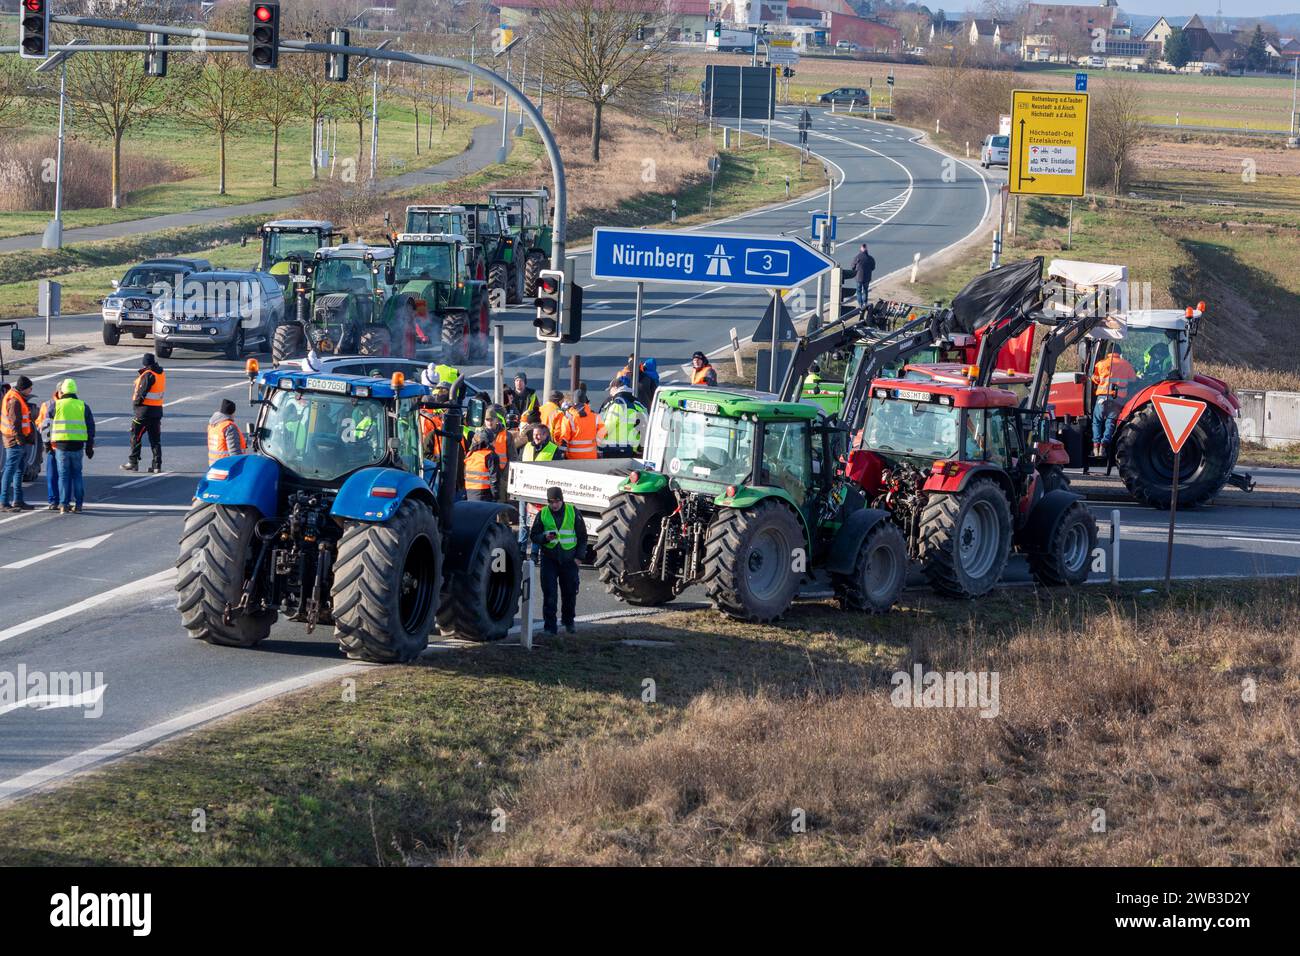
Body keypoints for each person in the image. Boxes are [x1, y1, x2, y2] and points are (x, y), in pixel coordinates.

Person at [528, 485, 587, 636]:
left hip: (569, 560)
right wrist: (544, 538)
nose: (554, 505)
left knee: (569, 594)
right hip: (549, 559)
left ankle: (568, 622)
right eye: (551, 502)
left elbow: (582, 537)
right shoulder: (543, 514)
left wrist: (579, 558)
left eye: (557, 501)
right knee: (549, 595)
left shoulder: (572, 512)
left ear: (562, 500)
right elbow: (534, 535)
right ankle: (550, 627)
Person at [50, 378, 95, 514]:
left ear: (62, 390)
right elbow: (90, 427)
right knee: (77, 475)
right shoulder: (82, 405)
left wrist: (47, 444)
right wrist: (89, 446)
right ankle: (79, 504)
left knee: (63, 476)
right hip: (77, 446)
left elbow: (47, 423)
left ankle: (63, 504)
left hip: (61, 446)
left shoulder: (56, 405)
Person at [123, 352, 165, 472]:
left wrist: (135, 405)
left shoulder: (148, 375)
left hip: (143, 412)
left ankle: (133, 462)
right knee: (155, 440)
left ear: (145, 363)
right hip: (156, 412)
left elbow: (142, 393)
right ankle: (157, 465)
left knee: (136, 436)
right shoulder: (160, 373)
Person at [1, 375, 35, 512]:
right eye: (30, 388)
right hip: (14, 440)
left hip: (18, 439)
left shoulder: (17, 397)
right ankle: (4, 502)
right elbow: (14, 423)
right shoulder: (14, 400)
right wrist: (20, 439)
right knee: (10, 470)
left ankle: (18, 500)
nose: (31, 390)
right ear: (23, 389)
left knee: (19, 470)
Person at [598, 378, 647, 457]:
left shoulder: (618, 404)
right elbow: (644, 424)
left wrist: (597, 442)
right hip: (631, 447)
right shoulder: (637, 404)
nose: (610, 393)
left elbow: (607, 427)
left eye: (610, 390)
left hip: (613, 447)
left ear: (615, 388)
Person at [34, 385, 61, 510]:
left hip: (63, 446)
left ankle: (63, 499)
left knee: (65, 475)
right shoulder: (47, 405)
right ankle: (54, 500)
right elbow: (39, 422)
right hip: (53, 445)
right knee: (53, 474)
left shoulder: (73, 404)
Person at [557, 391, 600, 460]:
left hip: (573, 457)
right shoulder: (595, 416)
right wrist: (597, 444)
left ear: (573, 402)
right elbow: (602, 432)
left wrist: (561, 454)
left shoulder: (568, 416)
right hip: (591, 456)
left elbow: (564, 438)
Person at [207, 399, 246, 466]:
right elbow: (234, 452)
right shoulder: (229, 427)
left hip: (213, 465)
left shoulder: (212, 425)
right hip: (226, 466)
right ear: (233, 413)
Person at [463, 428, 499, 501]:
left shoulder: (470, 454)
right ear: (490, 441)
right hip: (484, 493)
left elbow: (465, 474)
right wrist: (495, 496)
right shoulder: (490, 455)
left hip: (469, 492)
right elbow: (494, 479)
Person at [1093, 385, 1122, 458]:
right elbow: (1133, 378)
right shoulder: (1125, 372)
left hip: (1102, 397)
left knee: (1097, 422)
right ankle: (1103, 446)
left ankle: (1096, 447)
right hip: (1117, 398)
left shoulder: (1102, 372)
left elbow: (1095, 378)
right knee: (1110, 423)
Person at [851, 243, 876, 312]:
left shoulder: (857, 257)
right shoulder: (870, 258)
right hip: (867, 277)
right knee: (865, 290)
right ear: (867, 249)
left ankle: (860, 304)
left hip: (859, 277)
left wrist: (856, 270)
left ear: (861, 249)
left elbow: (852, 267)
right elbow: (873, 267)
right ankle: (865, 303)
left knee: (858, 291)